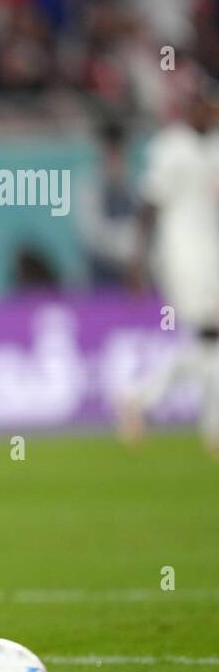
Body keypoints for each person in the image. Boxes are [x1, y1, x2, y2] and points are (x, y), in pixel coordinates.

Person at [117, 79, 219, 456]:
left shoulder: (215, 147)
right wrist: (137, 261)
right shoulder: (171, 148)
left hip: (212, 255)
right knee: (211, 334)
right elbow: (149, 206)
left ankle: (141, 398)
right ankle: (208, 425)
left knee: (209, 342)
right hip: (182, 255)